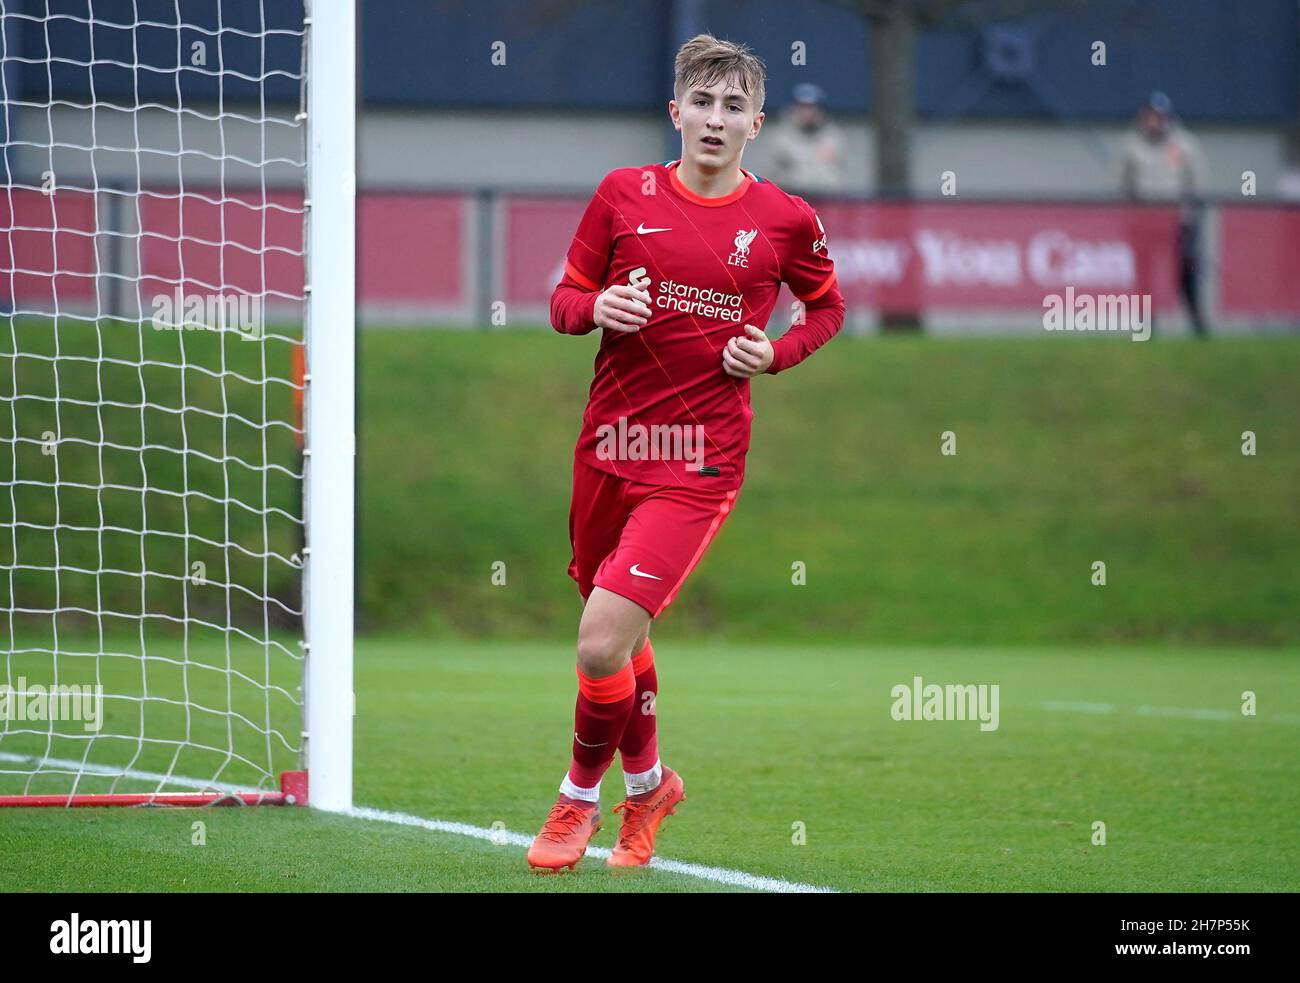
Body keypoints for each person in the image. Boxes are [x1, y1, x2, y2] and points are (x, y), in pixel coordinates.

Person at [533, 33, 845, 872]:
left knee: (600, 642)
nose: (716, 119)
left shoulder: (786, 219)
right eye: (702, 103)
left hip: (698, 463)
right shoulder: (620, 195)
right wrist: (600, 306)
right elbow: (561, 302)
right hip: (610, 445)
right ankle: (652, 787)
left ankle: (575, 801)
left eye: (733, 106)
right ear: (676, 114)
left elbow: (826, 309)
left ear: (757, 123)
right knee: (618, 637)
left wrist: (774, 353)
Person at [1119, 91, 1209, 336]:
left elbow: (1197, 185)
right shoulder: (1132, 147)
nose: (1153, 121)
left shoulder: (1185, 145)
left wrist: (1190, 220)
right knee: (1145, 276)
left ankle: (1198, 326)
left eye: (1158, 117)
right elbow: (1123, 188)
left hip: (1177, 222)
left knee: (1185, 276)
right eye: (1149, 116)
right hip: (1145, 222)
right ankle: (1147, 326)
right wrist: (1131, 217)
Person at [765, 82, 845, 196]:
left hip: (826, 199)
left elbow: (837, 173)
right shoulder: (782, 139)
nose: (808, 112)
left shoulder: (832, 137)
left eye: (812, 107)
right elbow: (772, 176)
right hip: (794, 199)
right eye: (803, 107)